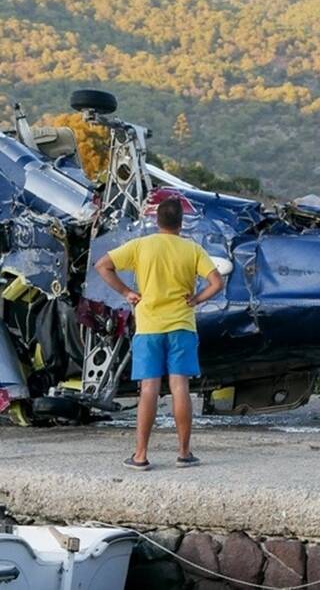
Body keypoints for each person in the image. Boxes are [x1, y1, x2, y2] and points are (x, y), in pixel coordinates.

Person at [94, 196, 224, 471]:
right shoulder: (192, 249)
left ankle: (140, 455)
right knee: (180, 388)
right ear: (181, 222)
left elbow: (102, 265)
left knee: (148, 390)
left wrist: (127, 292)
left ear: (157, 220)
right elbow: (217, 282)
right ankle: (184, 453)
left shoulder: (142, 246)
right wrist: (197, 299)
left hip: (149, 328)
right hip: (181, 327)